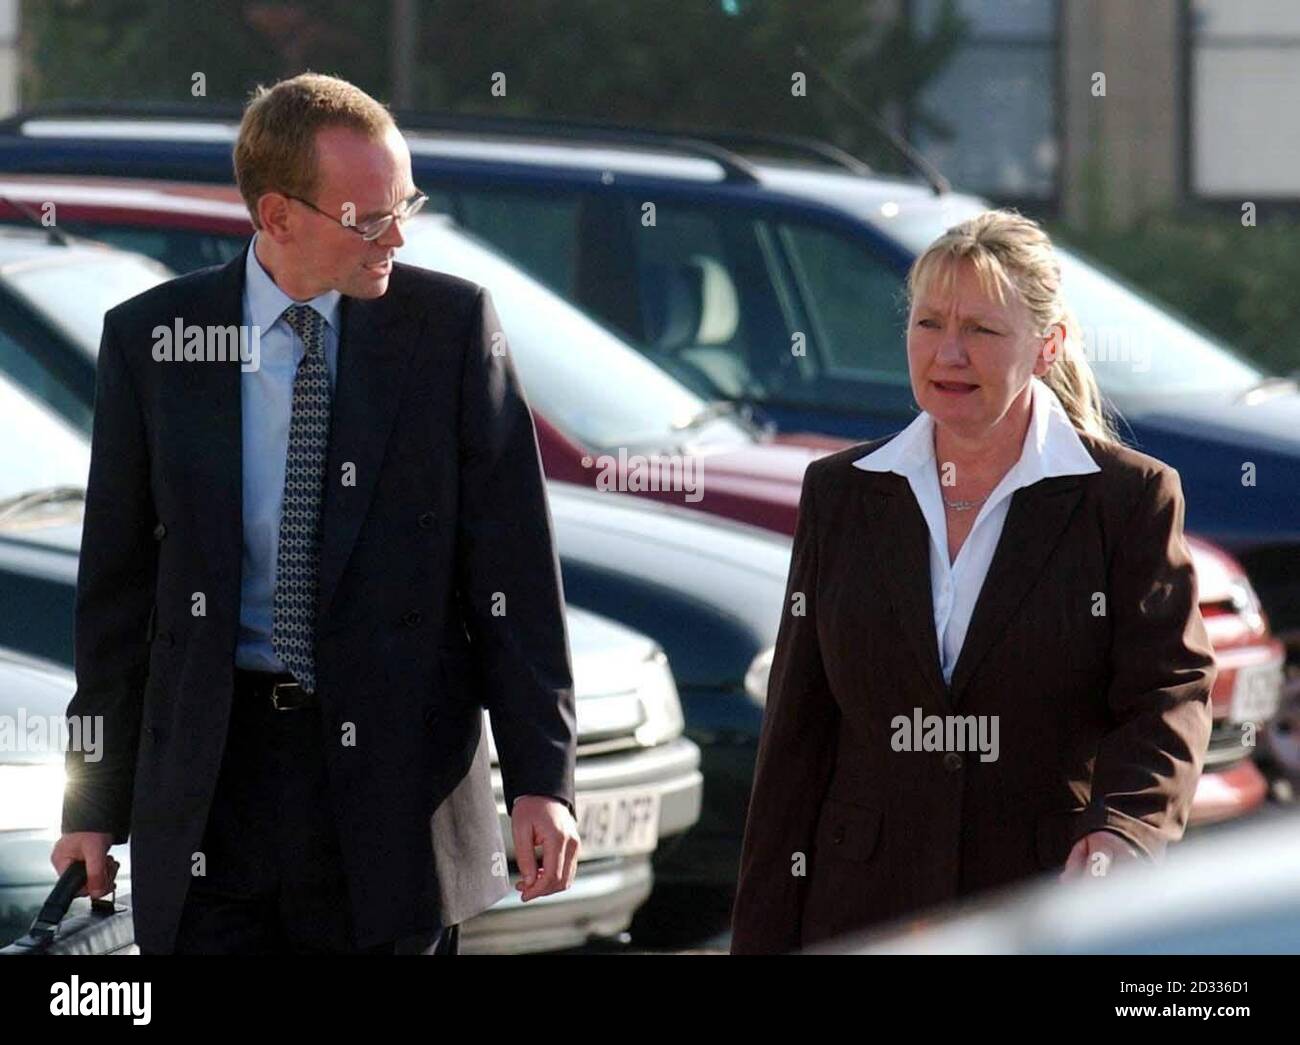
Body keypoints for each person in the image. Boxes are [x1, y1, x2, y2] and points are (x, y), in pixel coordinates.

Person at [52, 73, 579, 954]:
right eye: (367, 216)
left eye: (403, 203)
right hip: (214, 787)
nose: (396, 235)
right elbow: (116, 595)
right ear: (278, 215)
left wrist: (542, 779)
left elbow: (514, 573)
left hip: (393, 792)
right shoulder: (155, 340)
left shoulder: (448, 329)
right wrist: (93, 805)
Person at [729, 209, 1216, 955]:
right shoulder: (842, 493)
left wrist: (1125, 828)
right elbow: (796, 738)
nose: (948, 353)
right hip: (861, 915)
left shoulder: (1125, 500)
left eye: (983, 331)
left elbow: (1168, 695)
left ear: (1047, 345)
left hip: (1043, 908)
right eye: (929, 324)